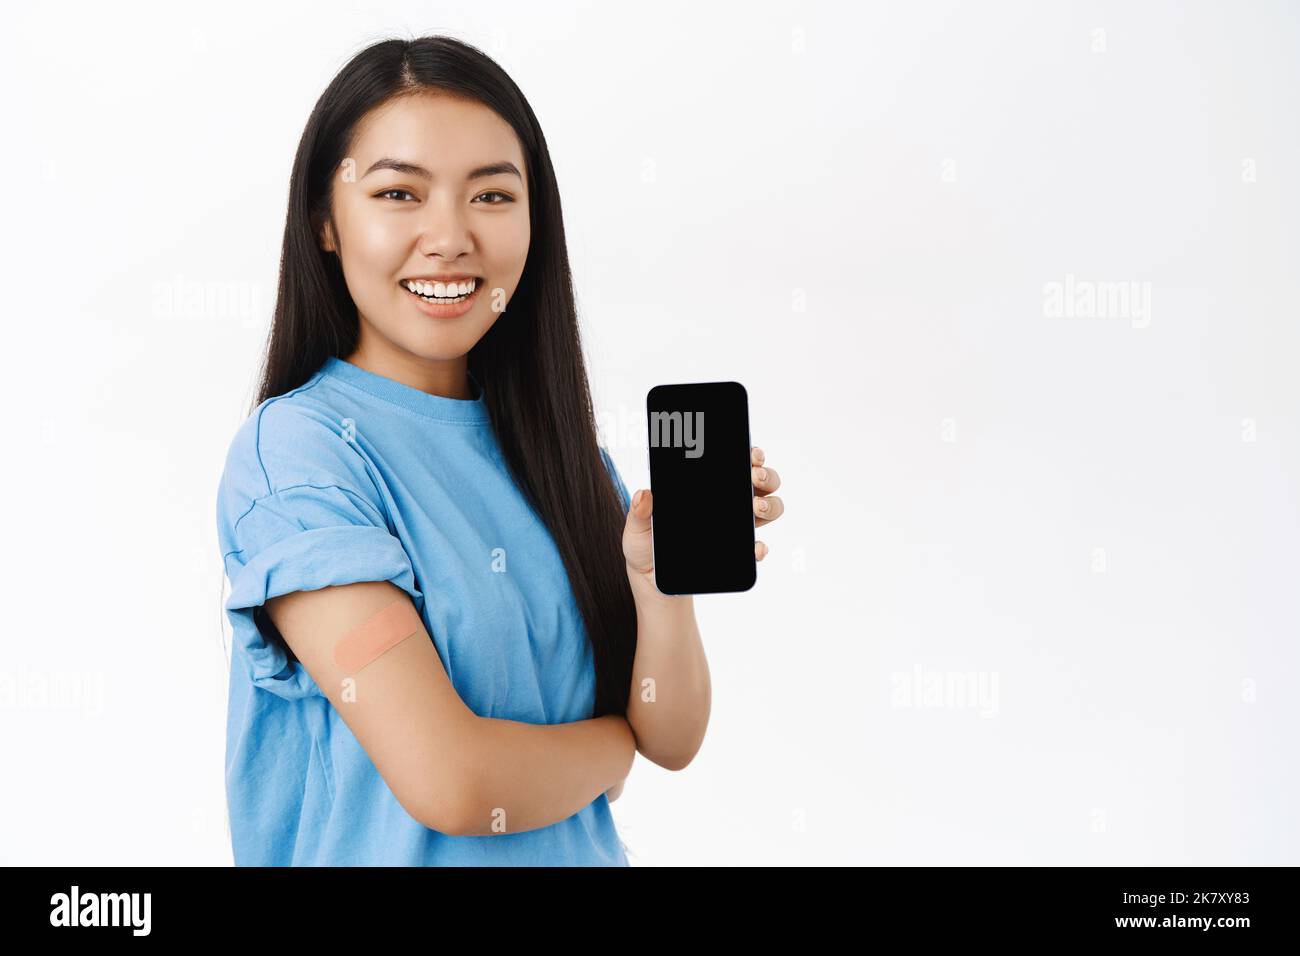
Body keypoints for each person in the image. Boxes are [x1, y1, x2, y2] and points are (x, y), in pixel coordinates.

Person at [215, 35, 784, 865]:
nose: (448, 238)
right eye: (400, 193)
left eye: (491, 195)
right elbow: (454, 781)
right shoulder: (297, 456)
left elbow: (672, 734)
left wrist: (658, 587)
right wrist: (610, 748)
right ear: (325, 224)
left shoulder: (563, 452)